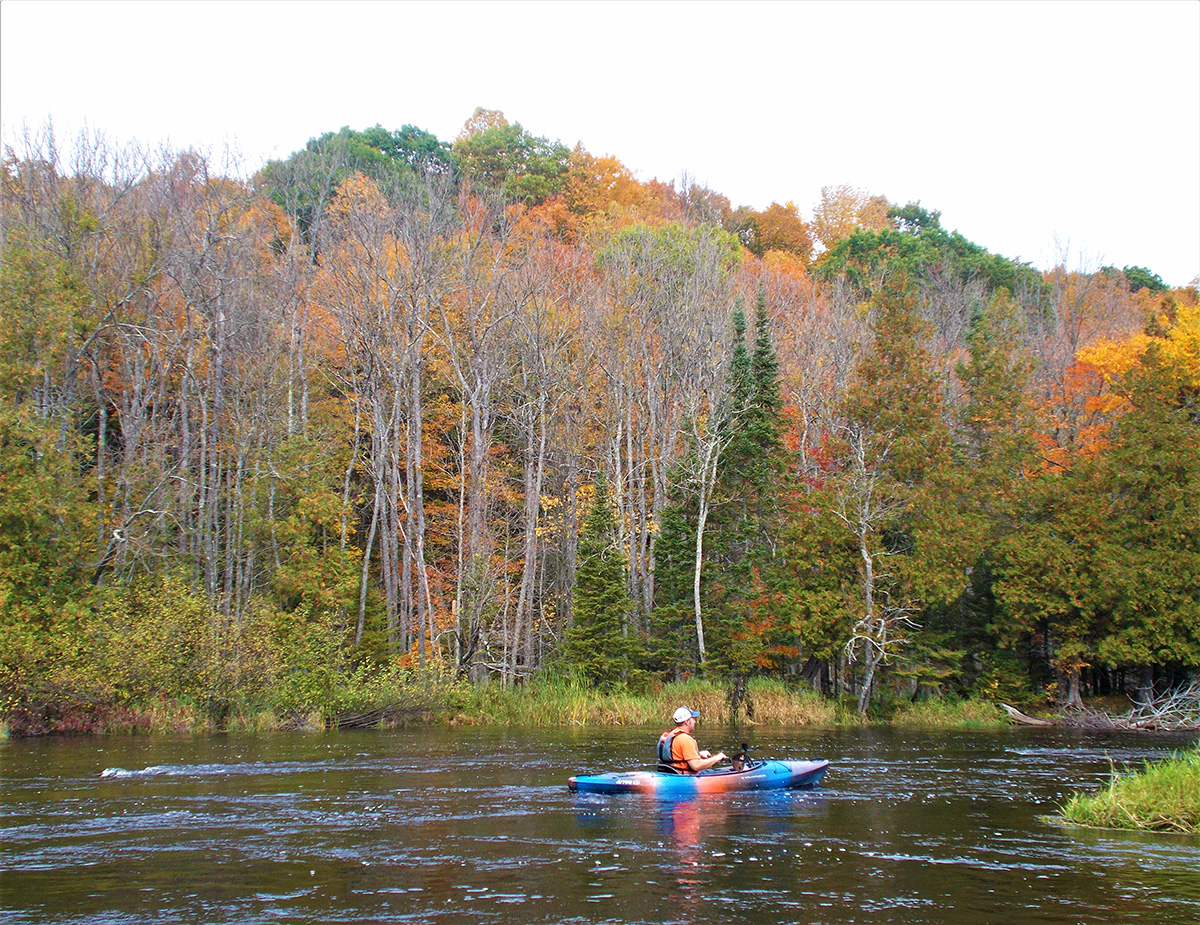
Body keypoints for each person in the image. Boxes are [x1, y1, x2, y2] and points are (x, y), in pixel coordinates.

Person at [657, 706, 727, 773]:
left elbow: (677, 756)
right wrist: (717, 758)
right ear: (687, 722)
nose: (695, 722)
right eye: (693, 719)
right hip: (682, 776)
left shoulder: (669, 734)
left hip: (667, 772)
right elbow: (696, 766)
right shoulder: (686, 739)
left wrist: (699, 754)